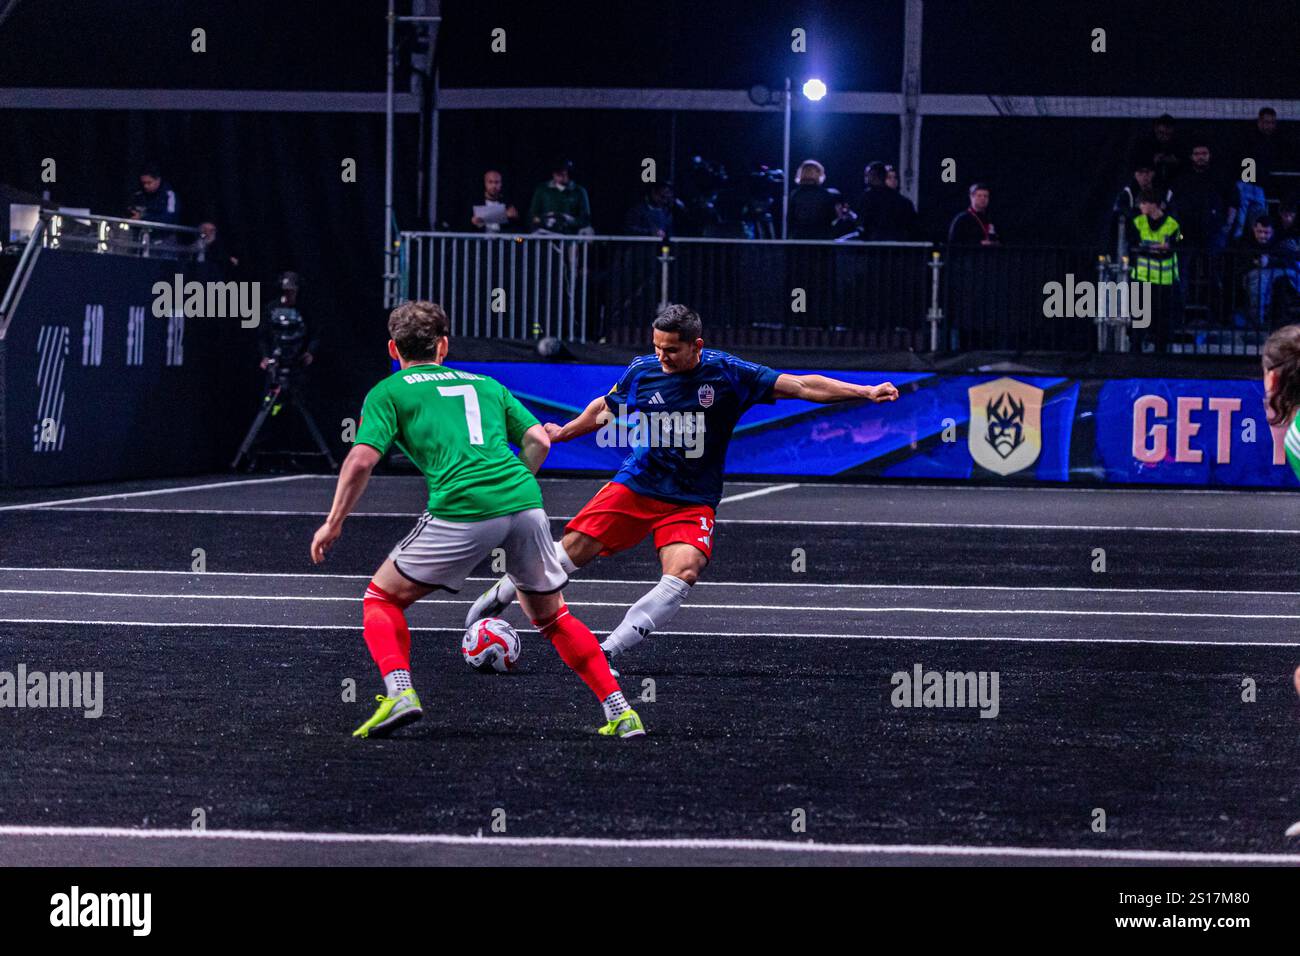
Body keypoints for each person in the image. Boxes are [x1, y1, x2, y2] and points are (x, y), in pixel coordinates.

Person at [464, 303, 899, 669]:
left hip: (691, 499)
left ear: (697, 346)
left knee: (685, 571)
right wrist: (564, 433)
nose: (663, 357)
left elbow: (803, 385)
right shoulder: (643, 370)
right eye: (656, 347)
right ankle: (503, 590)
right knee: (574, 550)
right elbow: (606, 408)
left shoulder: (728, 373)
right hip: (638, 484)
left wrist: (863, 391)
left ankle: (606, 650)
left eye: (671, 350)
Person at [311, 300, 645, 740]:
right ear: (444, 345)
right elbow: (539, 442)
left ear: (394, 349)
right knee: (552, 618)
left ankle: (400, 692)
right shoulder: (486, 385)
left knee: (382, 599)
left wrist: (333, 522)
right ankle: (621, 712)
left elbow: (359, 460)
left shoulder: (390, 391)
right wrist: (510, 488)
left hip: (464, 506)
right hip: (525, 502)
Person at [1129, 191, 1182, 351]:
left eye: (1144, 203)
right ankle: (1136, 349)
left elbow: (1177, 243)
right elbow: (1134, 245)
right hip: (1141, 277)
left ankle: (1161, 352)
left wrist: (1163, 247)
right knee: (1139, 318)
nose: (1141, 206)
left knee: (1162, 319)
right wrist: (1156, 248)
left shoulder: (1172, 224)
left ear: (1154, 204)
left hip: (1164, 280)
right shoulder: (1138, 221)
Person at [856, 160, 916, 241]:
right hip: (897, 247)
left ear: (874, 176)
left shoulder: (867, 198)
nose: (865, 178)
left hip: (873, 247)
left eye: (867, 175)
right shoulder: (902, 201)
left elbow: (863, 223)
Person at [528, 160, 592, 234]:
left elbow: (585, 219)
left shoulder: (579, 191)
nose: (562, 176)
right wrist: (544, 220)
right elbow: (532, 215)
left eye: (565, 173)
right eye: (559, 173)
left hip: (570, 236)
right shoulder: (542, 189)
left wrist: (569, 220)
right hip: (546, 234)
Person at [785, 159, 840, 240]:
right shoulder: (826, 194)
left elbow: (790, 219)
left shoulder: (795, 194)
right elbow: (832, 217)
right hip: (821, 239)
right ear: (819, 174)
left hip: (799, 239)